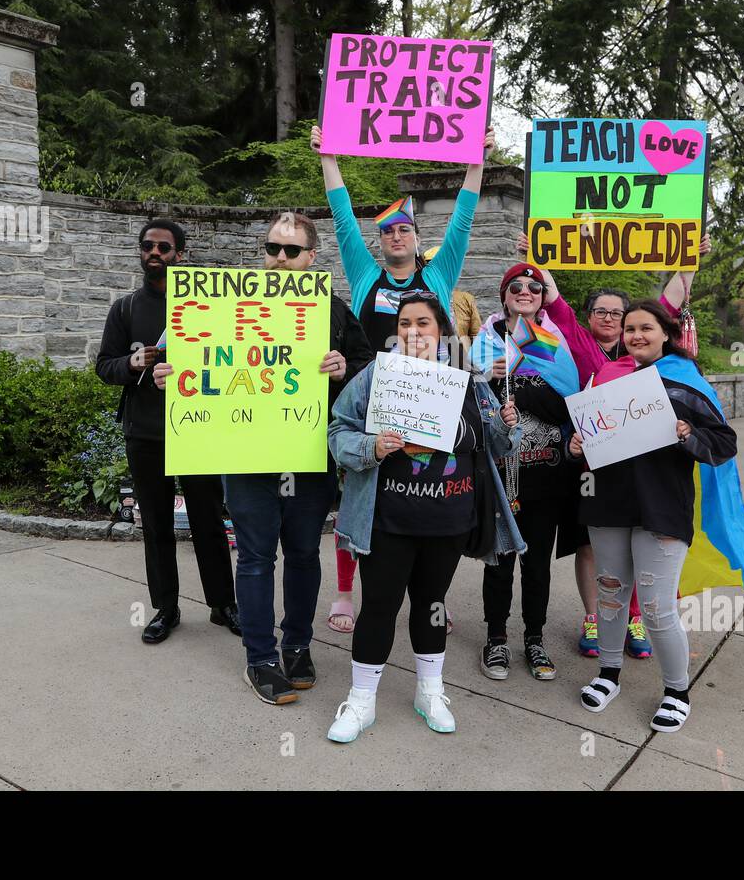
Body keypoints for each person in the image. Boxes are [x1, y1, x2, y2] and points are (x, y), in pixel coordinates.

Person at [152, 213, 372, 704]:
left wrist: (344, 369)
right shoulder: (218, 301)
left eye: (292, 250)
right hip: (245, 454)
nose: (280, 258)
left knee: (301, 556)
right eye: (273, 248)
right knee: (253, 558)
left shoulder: (334, 311)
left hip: (307, 455)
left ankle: (297, 646)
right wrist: (164, 372)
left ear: (313, 258)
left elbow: (367, 370)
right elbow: (173, 359)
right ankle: (260, 657)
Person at [324, 293, 525, 744]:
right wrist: (369, 448)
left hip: (448, 520)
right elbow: (338, 429)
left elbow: (497, 447)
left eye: (424, 324)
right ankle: (361, 701)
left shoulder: (469, 381)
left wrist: (506, 424)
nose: (413, 332)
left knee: (432, 605)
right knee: (378, 606)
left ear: (441, 332)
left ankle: (430, 693)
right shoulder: (376, 375)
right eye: (405, 324)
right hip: (387, 519)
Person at [519, 231, 711, 660]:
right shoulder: (581, 350)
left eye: (619, 314)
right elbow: (555, 303)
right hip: (594, 468)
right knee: (594, 542)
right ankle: (596, 617)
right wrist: (538, 255)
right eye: (601, 312)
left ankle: (637, 619)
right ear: (590, 318)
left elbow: (672, 300)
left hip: (648, 472)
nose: (611, 319)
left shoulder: (653, 354)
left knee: (645, 539)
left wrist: (688, 262)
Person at [570, 300, 737, 732]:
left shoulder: (686, 384)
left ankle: (677, 691)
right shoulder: (606, 380)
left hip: (660, 509)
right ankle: (608, 674)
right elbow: (591, 441)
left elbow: (723, 443)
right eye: (629, 329)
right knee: (609, 595)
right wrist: (576, 448)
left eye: (646, 327)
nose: (636, 335)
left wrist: (689, 435)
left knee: (658, 605)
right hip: (607, 505)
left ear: (667, 333)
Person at [95, 219, 239, 644]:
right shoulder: (125, 309)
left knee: (208, 521)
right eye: (147, 247)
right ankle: (166, 608)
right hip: (145, 432)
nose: (154, 253)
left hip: (197, 429)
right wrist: (133, 364)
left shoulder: (205, 305)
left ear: (180, 254)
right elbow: (104, 366)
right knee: (156, 523)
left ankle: (222, 604)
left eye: (163, 247)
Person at [471, 263, 580, 682]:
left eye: (534, 287)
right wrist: (488, 376)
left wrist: (520, 380)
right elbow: (471, 399)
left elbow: (567, 403)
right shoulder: (485, 343)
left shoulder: (556, 343)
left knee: (537, 565)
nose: (525, 291)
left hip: (546, 474)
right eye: (515, 286)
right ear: (503, 296)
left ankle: (534, 639)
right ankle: (496, 639)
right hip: (500, 475)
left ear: (542, 296)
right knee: (497, 560)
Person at [312, 123, 494, 352]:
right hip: (368, 384)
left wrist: (477, 160)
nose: (396, 236)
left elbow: (462, 222)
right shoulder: (364, 275)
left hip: (426, 384)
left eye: (404, 230)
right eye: (388, 231)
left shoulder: (439, 275)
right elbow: (343, 220)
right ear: (380, 241)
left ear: (417, 238)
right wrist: (327, 156)